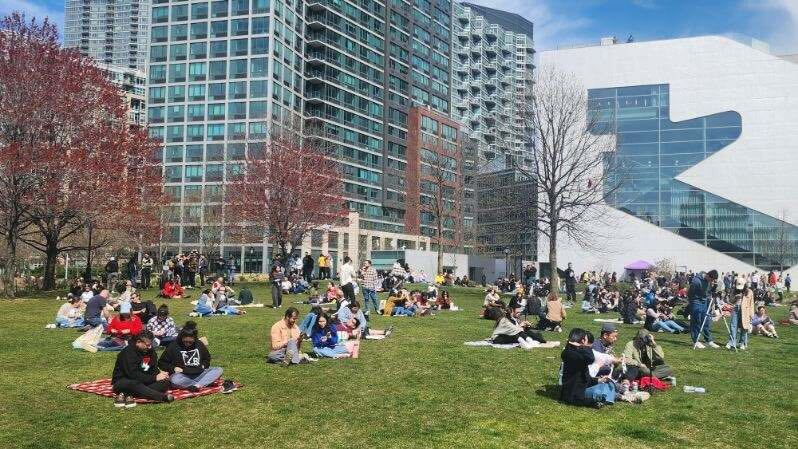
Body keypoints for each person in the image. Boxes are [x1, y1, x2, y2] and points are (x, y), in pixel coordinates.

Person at [158, 322, 226, 392]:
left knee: (218, 370)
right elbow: (161, 363)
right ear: (182, 338)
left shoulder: (199, 344)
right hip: (183, 375)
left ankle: (196, 385)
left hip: (199, 372)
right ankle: (203, 383)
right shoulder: (173, 346)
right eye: (185, 341)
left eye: (190, 342)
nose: (187, 344)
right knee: (174, 380)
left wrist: (203, 366)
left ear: (194, 338)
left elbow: (207, 358)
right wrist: (174, 368)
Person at [111, 331, 174, 406]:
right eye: (147, 345)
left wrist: (160, 375)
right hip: (125, 381)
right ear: (138, 342)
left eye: (151, 344)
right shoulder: (127, 353)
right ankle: (162, 397)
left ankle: (127, 394)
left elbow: (153, 369)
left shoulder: (150, 351)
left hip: (144, 381)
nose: (150, 347)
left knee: (165, 383)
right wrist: (155, 378)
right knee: (133, 383)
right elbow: (132, 375)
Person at [560, 328, 615, 407]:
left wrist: (599, 380)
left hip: (578, 389)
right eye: (585, 339)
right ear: (582, 340)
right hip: (575, 394)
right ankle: (605, 398)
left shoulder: (572, 351)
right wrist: (587, 346)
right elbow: (591, 359)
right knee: (602, 389)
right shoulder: (571, 354)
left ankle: (605, 398)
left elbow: (585, 378)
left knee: (608, 383)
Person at [687, 270, 720, 348]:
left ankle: (709, 340)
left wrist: (714, 289)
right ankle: (696, 340)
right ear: (708, 275)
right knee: (696, 321)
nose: (711, 282)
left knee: (706, 321)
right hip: (696, 302)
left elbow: (708, 291)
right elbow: (690, 293)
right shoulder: (696, 281)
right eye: (711, 280)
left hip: (704, 302)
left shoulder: (708, 281)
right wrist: (693, 302)